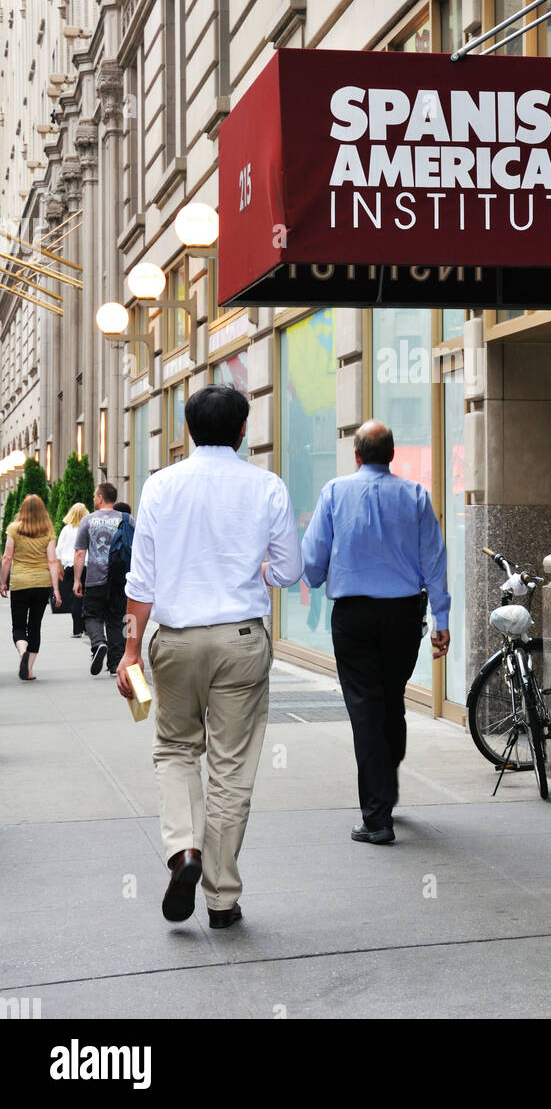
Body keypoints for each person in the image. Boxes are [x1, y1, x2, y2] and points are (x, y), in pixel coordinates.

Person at [116, 385, 302, 929]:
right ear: (243, 430)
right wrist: (258, 572)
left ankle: (184, 851)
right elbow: (288, 571)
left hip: (173, 641)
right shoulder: (267, 486)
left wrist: (130, 650)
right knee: (231, 770)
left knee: (174, 750)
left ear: (187, 432)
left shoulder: (159, 487)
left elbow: (141, 581)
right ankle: (222, 899)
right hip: (240, 641)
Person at [302, 419, 451, 846]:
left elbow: (314, 558)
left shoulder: (334, 492)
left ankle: (377, 817)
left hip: (354, 616)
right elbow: (434, 560)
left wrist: (311, 579)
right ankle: (385, 788)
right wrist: (441, 619)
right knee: (391, 698)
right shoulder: (416, 496)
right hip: (404, 614)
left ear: (356, 455)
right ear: (392, 455)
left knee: (366, 708)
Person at [1, 494, 62, 680]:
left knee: (18, 626)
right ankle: (28, 669)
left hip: (20, 583)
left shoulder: (13, 529)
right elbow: (52, 561)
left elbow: (7, 557)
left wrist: (2, 581)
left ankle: (22, 650)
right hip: (42, 584)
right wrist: (56, 589)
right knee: (35, 626)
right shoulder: (48, 531)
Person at [73, 483, 125, 677]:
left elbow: (79, 553)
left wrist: (77, 580)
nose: (94, 499)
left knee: (91, 615)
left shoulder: (88, 520)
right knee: (116, 620)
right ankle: (115, 665)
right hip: (120, 580)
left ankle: (98, 642)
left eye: (95, 496)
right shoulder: (126, 519)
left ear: (101, 498)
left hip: (95, 579)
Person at [56, 502, 89, 637]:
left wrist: (59, 568)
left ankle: (77, 630)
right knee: (88, 598)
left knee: (75, 598)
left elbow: (58, 551)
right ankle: (88, 627)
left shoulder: (66, 530)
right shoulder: (88, 528)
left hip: (70, 566)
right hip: (87, 565)